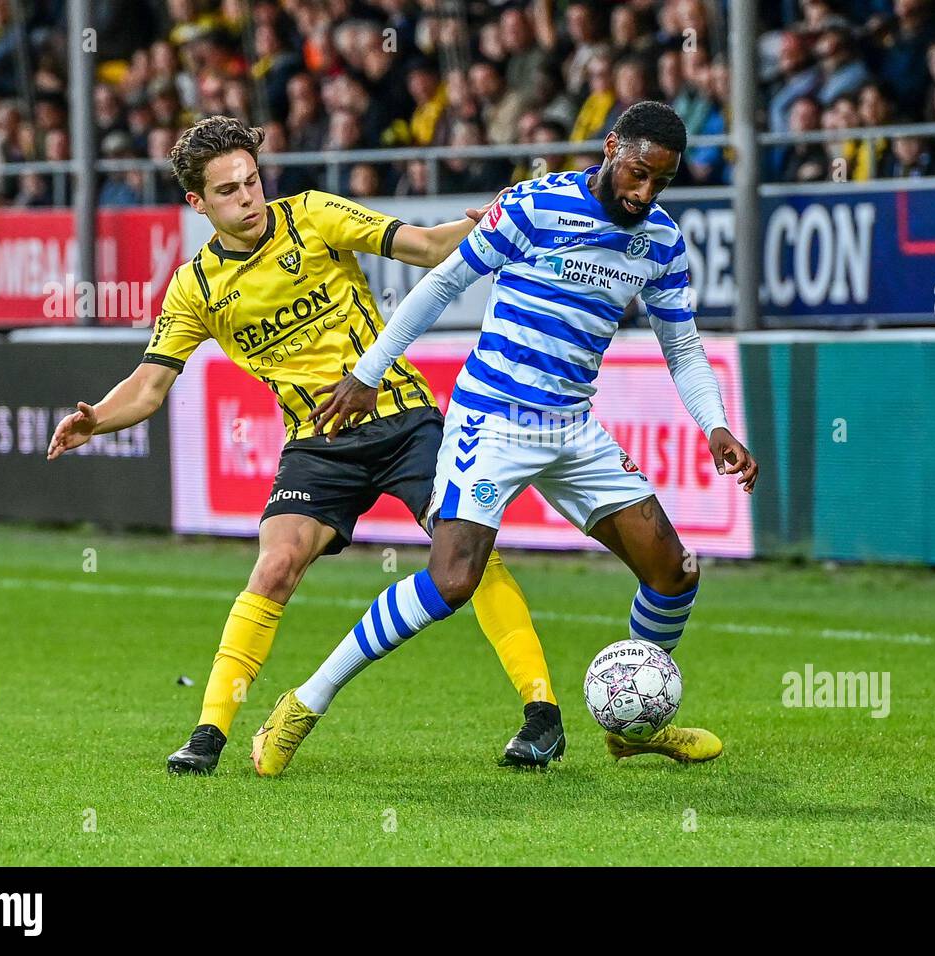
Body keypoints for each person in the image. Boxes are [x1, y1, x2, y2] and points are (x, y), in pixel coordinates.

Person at [251, 102, 759, 777]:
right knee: (453, 580)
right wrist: (368, 372)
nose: (644, 193)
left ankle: (633, 726)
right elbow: (445, 282)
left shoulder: (659, 240)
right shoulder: (534, 205)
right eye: (637, 173)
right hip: (492, 419)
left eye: (659, 183)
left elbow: (684, 349)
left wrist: (716, 425)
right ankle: (302, 705)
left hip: (571, 426)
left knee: (675, 572)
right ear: (611, 148)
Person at [47, 116, 565, 774]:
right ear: (197, 203)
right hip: (318, 445)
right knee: (275, 565)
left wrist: (497, 222)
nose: (249, 197)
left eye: (253, 180)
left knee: (463, 547)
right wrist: (98, 419)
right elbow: (149, 388)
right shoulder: (195, 288)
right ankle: (208, 735)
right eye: (230, 190)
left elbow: (430, 247)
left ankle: (541, 713)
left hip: (401, 416)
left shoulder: (314, 215)